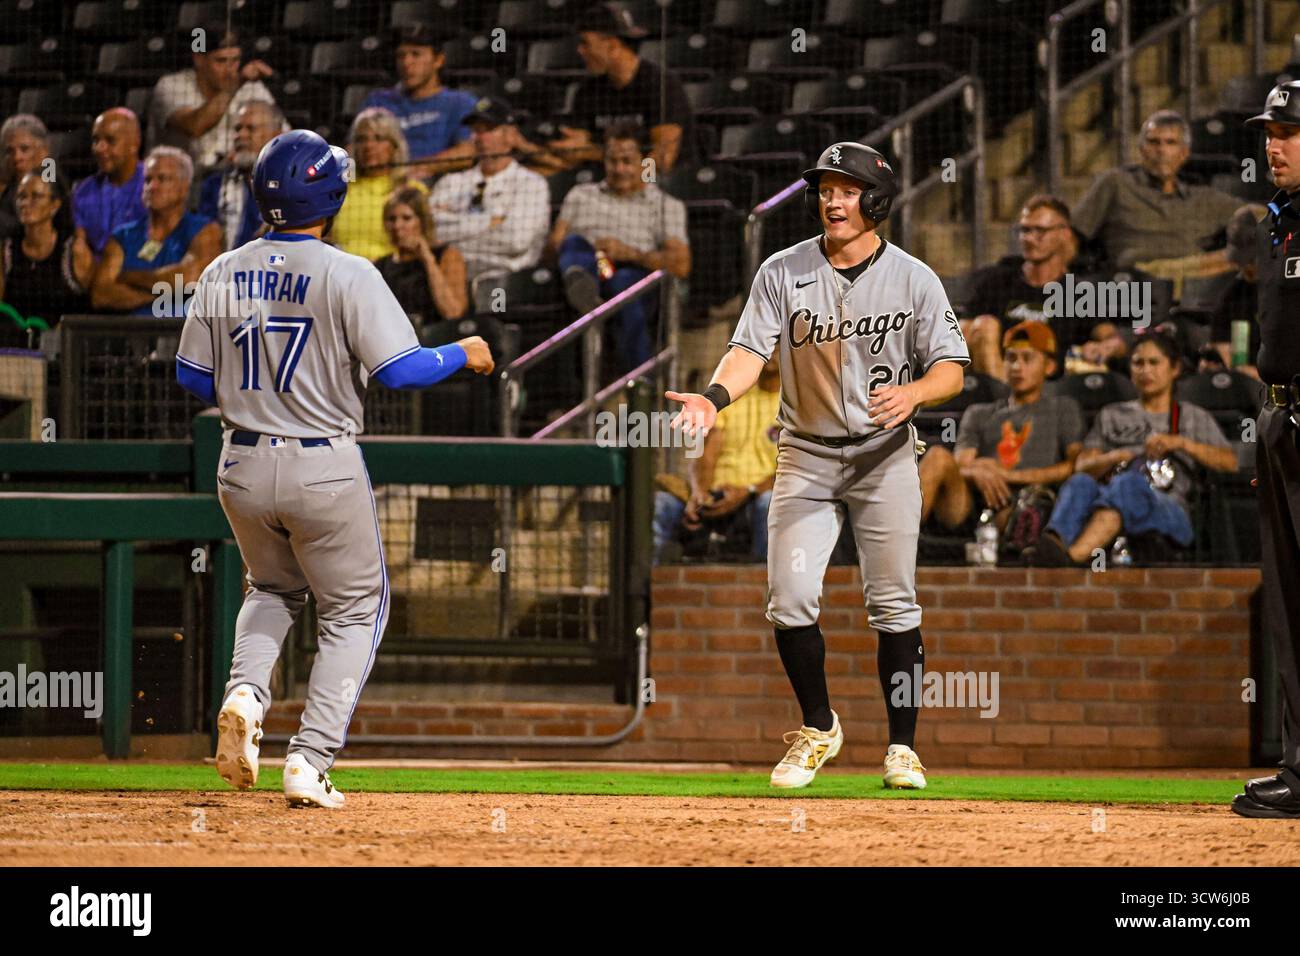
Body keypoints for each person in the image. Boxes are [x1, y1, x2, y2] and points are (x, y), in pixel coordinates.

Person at [175, 129, 494, 808]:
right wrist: (462, 351)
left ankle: (245, 694)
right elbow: (402, 371)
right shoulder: (348, 272)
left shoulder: (220, 269)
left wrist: (254, 392)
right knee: (353, 612)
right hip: (322, 462)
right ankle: (309, 759)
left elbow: (191, 375)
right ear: (330, 193)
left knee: (270, 589)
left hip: (240, 460)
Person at [665, 142, 970, 791]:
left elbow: (951, 368)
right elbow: (748, 349)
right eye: (826, 188)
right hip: (805, 455)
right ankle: (818, 725)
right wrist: (713, 397)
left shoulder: (914, 276)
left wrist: (914, 393)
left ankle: (903, 749)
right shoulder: (783, 269)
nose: (832, 198)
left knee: (893, 603)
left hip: (884, 456)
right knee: (790, 598)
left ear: (877, 199)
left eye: (847, 188)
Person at [1232, 80, 1300, 819]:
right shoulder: (1274, 222)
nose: (1272, 143)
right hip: (1281, 422)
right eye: (1270, 131)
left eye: (1288, 131)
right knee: (1288, 605)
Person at [1023, 331, 1236, 567]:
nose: (1145, 370)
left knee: (1128, 484)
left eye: (1154, 362)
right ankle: (1055, 543)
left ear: (1174, 369)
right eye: (1138, 363)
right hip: (1107, 500)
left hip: (1168, 507)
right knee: (1080, 483)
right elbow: (1082, 466)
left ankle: (1067, 559)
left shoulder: (1192, 416)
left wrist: (1181, 443)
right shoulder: (1112, 414)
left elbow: (1230, 462)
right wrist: (1115, 456)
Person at [547, 121, 690, 371]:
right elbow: (554, 245)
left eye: (627, 161)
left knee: (623, 284)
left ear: (645, 162)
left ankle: (640, 375)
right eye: (612, 161)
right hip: (588, 265)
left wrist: (630, 253)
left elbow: (681, 265)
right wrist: (588, 253)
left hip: (635, 275)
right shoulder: (581, 194)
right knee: (572, 243)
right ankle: (584, 289)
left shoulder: (665, 205)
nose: (619, 169)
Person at [918, 321, 1084, 533]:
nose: (1017, 367)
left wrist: (1007, 476)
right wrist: (978, 472)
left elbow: (1074, 466)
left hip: (1034, 502)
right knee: (937, 456)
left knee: (1026, 509)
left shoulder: (1063, 408)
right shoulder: (978, 412)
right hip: (974, 506)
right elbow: (961, 464)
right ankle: (892, 542)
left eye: (1027, 359)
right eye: (1011, 358)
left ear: (1049, 366)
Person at [962, 195, 1121, 380]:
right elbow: (959, 336)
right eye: (1025, 230)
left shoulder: (1077, 294)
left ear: (1064, 234)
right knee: (984, 325)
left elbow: (1113, 340)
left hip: (1053, 392)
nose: (1029, 238)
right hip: (996, 385)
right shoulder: (996, 283)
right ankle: (1009, 401)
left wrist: (1103, 347)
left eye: (1040, 230)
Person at [1072, 109, 1241, 271]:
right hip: (1135, 284)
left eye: (1170, 143)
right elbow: (1072, 233)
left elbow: (1258, 215)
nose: (1161, 150)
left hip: (1195, 284)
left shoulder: (1204, 198)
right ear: (1142, 150)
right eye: (1154, 142)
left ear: (1183, 153)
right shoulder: (1115, 183)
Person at [537, 2, 695, 175]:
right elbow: (576, 153)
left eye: (585, 43)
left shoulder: (660, 84)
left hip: (656, 186)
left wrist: (595, 153)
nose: (579, 51)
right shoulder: (588, 91)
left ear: (612, 45)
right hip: (605, 186)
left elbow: (661, 162)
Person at [653, 353, 780, 564]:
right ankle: (647, 591)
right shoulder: (733, 396)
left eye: (779, 343)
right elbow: (705, 457)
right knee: (663, 504)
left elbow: (795, 469)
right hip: (716, 498)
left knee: (769, 504)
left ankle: (766, 590)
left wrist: (747, 491)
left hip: (756, 498)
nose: (773, 350)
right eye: (769, 343)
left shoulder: (795, 404)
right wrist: (699, 494)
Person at [428, 96, 550, 282]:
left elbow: (515, 240)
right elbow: (429, 232)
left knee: (495, 305)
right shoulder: (450, 182)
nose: (478, 137)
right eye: (475, 130)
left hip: (504, 280)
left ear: (510, 136)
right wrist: (490, 222)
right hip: (449, 277)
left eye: (488, 130)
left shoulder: (531, 184)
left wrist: (454, 230)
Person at [90, 146, 220, 316]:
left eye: (162, 179)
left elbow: (191, 278)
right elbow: (101, 295)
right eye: (147, 180)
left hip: (181, 336)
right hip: (131, 336)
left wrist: (128, 277)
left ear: (184, 187)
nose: (152, 186)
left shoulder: (205, 230)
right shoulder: (122, 236)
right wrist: (167, 295)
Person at [148, 23, 276, 180]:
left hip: (231, 184)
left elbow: (279, 134)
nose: (230, 70)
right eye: (221, 61)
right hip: (181, 185)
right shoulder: (171, 86)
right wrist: (236, 84)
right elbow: (195, 126)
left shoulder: (252, 89)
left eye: (235, 60)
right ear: (199, 59)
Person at [360, 23, 478, 176]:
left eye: (416, 54)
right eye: (401, 56)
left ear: (438, 60)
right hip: (380, 183)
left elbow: (467, 153)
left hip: (438, 184)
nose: (406, 63)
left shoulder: (460, 102)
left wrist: (413, 170)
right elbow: (354, 147)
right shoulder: (378, 101)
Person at [0, 173, 92, 347]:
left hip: (64, 350)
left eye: (36, 196)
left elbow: (90, 307)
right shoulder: (6, 250)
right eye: (21, 196)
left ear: (54, 205)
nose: (26, 203)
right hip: (15, 349)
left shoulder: (74, 250)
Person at [332, 107, 426, 262]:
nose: (369, 146)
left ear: (394, 146)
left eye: (378, 138)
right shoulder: (339, 188)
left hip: (389, 276)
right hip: (340, 273)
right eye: (361, 139)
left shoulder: (411, 190)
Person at [374, 184, 467, 325]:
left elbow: (452, 312)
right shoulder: (380, 266)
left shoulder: (448, 256)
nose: (397, 226)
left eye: (406, 218)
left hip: (437, 339)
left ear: (422, 222)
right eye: (392, 219)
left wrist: (428, 259)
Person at [199, 101, 286, 251]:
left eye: (251, 129)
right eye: (238, 128)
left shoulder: (294, 185)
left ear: (276, 136)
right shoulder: (216, 184)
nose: (241, 135)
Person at [71, 108, 145, 258]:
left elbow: (161, 242)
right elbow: (80, 249)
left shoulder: (154, 186)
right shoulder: (83, 191)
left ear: (134, 144)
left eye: (110, 141)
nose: (99, 148)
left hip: (143, 272)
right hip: (95, 276)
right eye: (96, 140)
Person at [1205, 204, 1265, 379]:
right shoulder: (1234, 296)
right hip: (1253, 389)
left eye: (1253, 259)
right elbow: (1222, 345)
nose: (1246, 266)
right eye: (1242, 259)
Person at [0, 114, 57, 241]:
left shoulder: (52, 180)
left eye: (24, 149)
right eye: (10, 151)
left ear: (44, 151)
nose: (16, 157)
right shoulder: (9, 186)